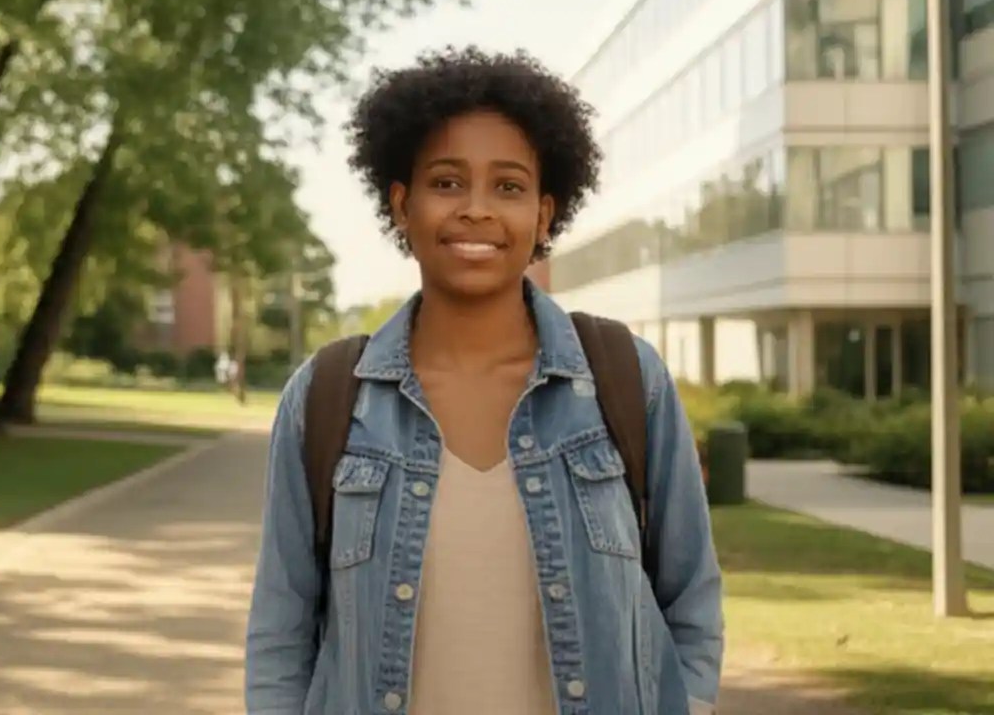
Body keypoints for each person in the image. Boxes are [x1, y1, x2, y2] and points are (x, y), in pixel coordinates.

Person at [245, 47, 723, 715]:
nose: (476, 210)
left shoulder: (625, 379)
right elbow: (280, 631)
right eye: (446, 183)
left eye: (508, 186)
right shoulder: (327, 398)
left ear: (545, 215)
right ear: (402, 205)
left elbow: (691, 596)